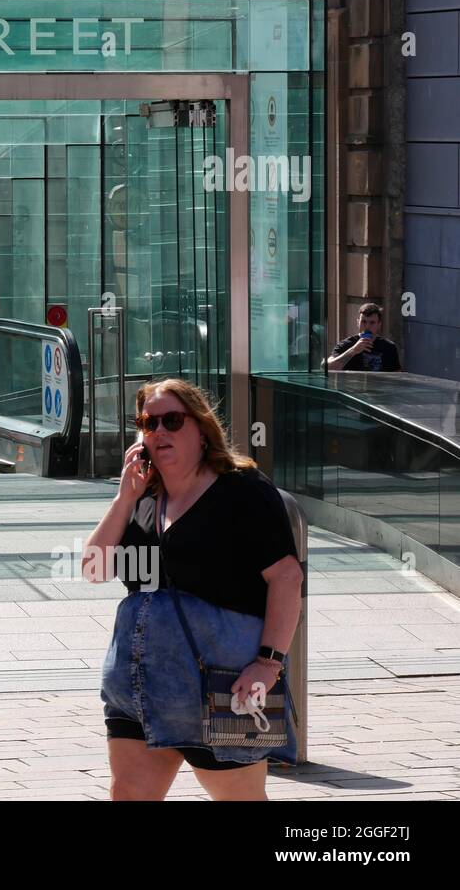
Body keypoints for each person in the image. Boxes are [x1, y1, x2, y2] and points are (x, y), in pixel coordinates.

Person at [85, 378, 304, 801]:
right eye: (149, 423)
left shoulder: (241, 491)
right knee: (129, 793)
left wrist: (268, 664)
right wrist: (123, 499)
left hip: (222, 683)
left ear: (201, 429)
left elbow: (286, 577)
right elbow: (94, 569)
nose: (159, 432)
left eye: (172, 420)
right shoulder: (143, 498)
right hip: (140, 681)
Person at [326, 302, 401, 372]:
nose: (367, 326)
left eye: (372, 323)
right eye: (364, 322)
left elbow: (396, 375)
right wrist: (353, 350)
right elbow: (328, 368)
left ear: (379, 324)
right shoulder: (346, 344)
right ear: (358, 322)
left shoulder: (389, 347)